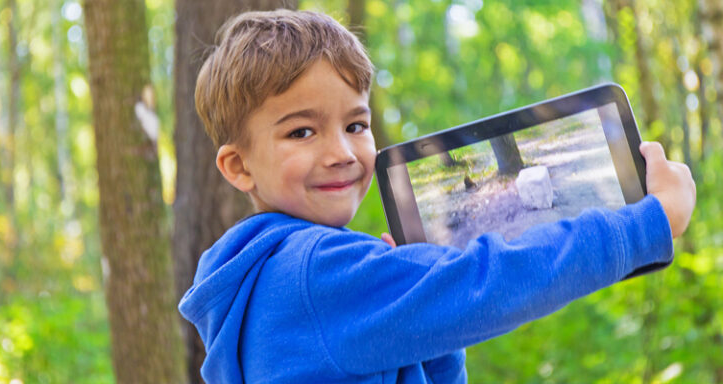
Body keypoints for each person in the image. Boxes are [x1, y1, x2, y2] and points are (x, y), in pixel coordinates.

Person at [178, 9, 696, 384]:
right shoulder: (315, 273)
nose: (341, 152)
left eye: (356, 124)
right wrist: (644, 224)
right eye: (301, 133)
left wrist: (423, 324)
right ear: (238, 166)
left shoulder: (263, 279)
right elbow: (487, 282)